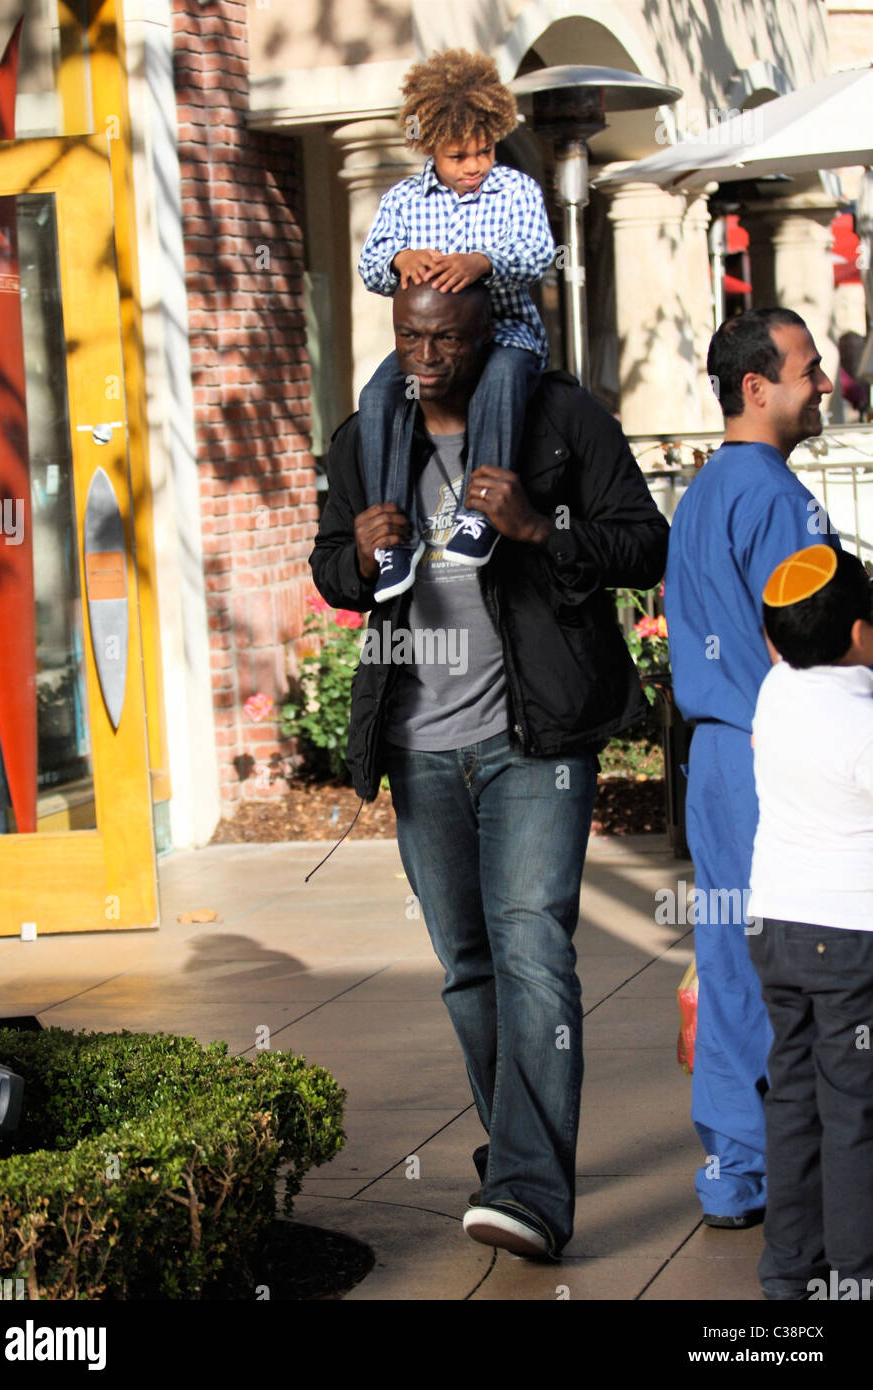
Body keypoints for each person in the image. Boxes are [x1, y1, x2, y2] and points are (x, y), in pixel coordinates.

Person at [310, 279, 669, 1258]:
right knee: (469, 967)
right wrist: (358, 555)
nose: (427, 359)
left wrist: (542, 531)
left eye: (448, 340)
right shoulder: (368, 435)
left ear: (487, 333)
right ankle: (520, 1152)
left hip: (533, 738)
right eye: (409, 338)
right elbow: (329, 560)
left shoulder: (558, 418)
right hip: (419, 744)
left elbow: (647, 542)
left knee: (534, 952)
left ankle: (527, 1191)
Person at [664, 308, 838, 1229]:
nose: (824, 385)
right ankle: (808, 1163)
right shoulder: (773, 494)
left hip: (721, 755)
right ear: (756, 389)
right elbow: (806, 640)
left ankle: (735, 1168)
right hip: (775, 751)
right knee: (818, 956)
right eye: (809, 370)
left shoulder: (704, 491)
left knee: (732, 956)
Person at [356, 48, 554, 600]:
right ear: (429, 148)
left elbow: (539, 254)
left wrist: (483, 263)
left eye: (484, 150)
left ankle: (479, 514)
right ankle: (395, 540)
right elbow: (369, 265)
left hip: (505, 338)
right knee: (377, 398)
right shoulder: (401, 201)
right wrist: (400, 260)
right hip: (428, 352)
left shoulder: (516, 191)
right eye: (457, 155)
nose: (473, 165)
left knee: (501, 381)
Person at [749, 544, 873, 1300]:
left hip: (777, 927)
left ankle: (789, 1277)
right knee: (855, 1107)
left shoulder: (775, 689)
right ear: (861, 635)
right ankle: (859, 1275)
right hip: (848, 936)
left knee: (795, 1099)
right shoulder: (861, 723)